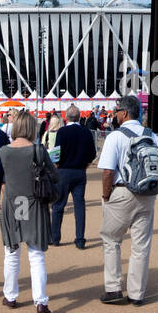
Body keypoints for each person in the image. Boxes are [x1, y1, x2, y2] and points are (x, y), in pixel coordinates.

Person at [98, 95, 158, 306]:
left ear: (125, 113)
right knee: (141, 245)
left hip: (121, 192)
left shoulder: (115, 136)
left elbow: (108, 171)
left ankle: (113, 287)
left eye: (117, 111)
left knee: (111, 239)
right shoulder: (152, 135)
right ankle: (137, 293)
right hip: (147, 194)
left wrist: (106, 195)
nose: (115, 114)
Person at [0, 109, 59, 313]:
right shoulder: (39, 151)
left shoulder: (4, 151)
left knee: (11, 253)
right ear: (32, 128)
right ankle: (40, 301)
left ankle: (10, 296)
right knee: (36, 255)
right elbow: (54, 176)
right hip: (33, 203)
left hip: (12, 203)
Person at [51, 105, 96, 249]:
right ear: (79, 116)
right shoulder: (86, 131)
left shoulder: (62, 131)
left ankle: (55, 237)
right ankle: (80, 239)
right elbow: (92, 154)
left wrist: (56, 167)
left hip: (63, 171)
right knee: (79, 206)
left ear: (66, 117)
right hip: (80, 172)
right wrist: (85, 166)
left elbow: (56, 154)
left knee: (58, 205)